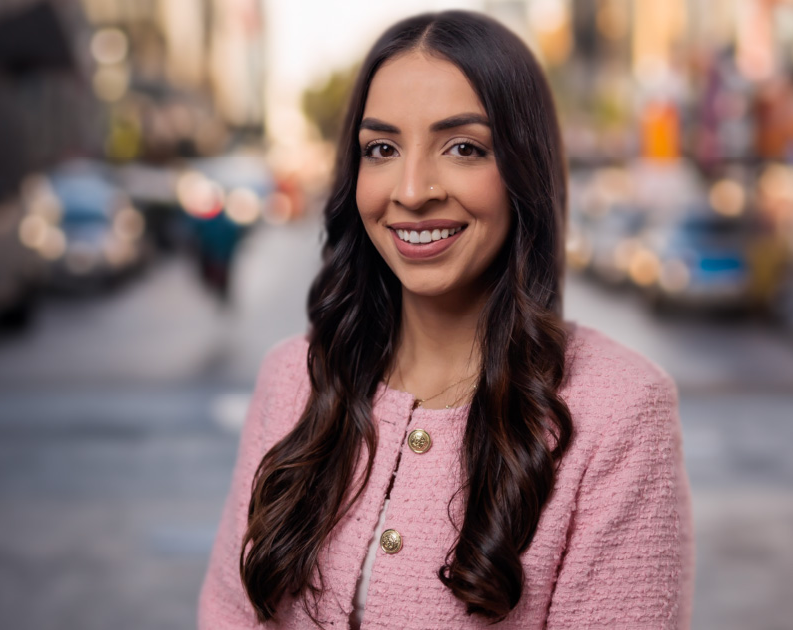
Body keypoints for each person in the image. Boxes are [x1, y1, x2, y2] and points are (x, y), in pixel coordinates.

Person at [198, 10, 693, 629]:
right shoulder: (291, 380)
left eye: (463, 147)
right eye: (382, 148)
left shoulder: (619, 410)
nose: (411, 189)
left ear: (524, 169)